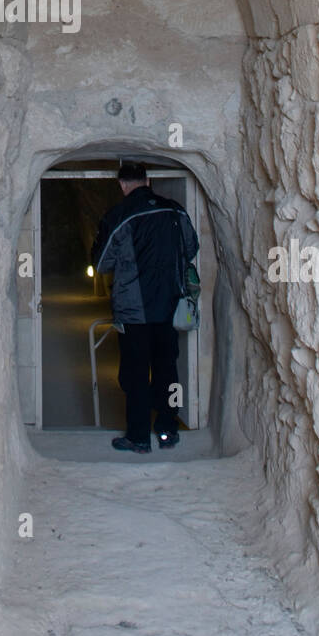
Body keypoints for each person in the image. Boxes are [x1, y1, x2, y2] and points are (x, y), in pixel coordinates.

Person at [91, 162, 199, 454]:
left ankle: (139, 437)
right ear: (147, 181)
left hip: (134, 312)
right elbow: (191, 248)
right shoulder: (175, 211)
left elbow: (101, 263)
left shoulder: (120, 216)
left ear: (122, 185)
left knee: (135, 374)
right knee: (167, 370)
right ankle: (167, 431)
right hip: (169, 308)